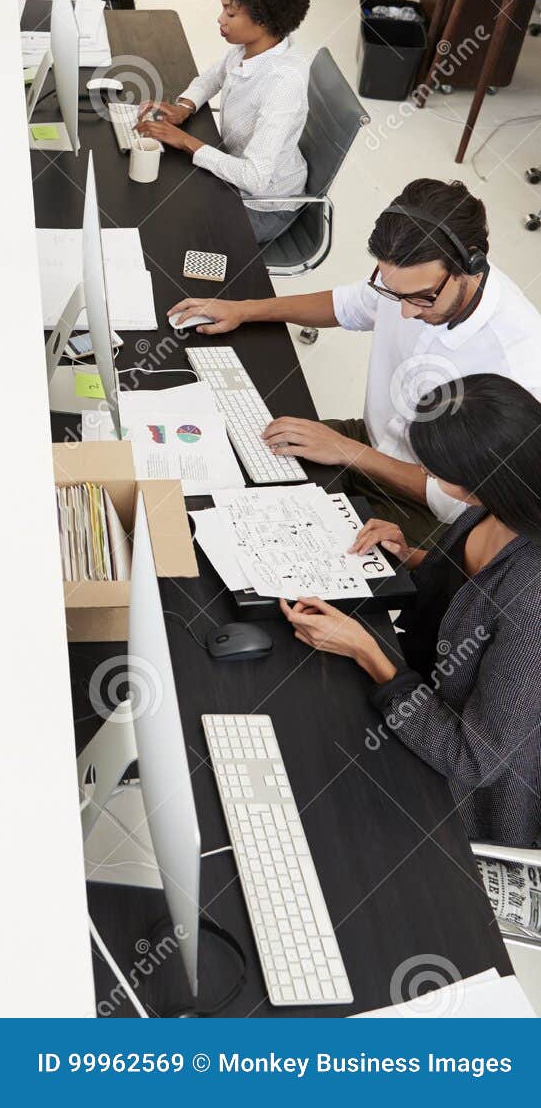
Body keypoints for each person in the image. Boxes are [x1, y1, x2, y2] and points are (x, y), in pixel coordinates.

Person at [169, 178, 541, 550]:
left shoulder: (519, 366)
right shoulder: (411, 282)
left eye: (422, 298)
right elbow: (348, 306)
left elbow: (458, 499)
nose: (405, 312)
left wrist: (346, 450)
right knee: (228, 471)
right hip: (369, 441)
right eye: (393, 293)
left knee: (294, 553)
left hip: (425, 508)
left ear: (471, 264)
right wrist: (244, 310)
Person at [281, 375, 541, 848]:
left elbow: (473, 760)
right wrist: (410, 557)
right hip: (418, 687)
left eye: (435, 470)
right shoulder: (502, 505)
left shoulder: (532, 599)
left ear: (483, 478)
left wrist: (367, 653)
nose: (424, 473)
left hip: (450, 780)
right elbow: (467, 597)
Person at [135, 0, 314, 244]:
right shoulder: (252, 48)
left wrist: (185, 141)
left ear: (265, 18)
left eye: (230, 13)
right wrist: (184, 107)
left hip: (263, 205)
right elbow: (212, 78)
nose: (220, 19)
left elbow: (255, 178)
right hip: (234, 173)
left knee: (167, 225)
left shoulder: (282, 82)